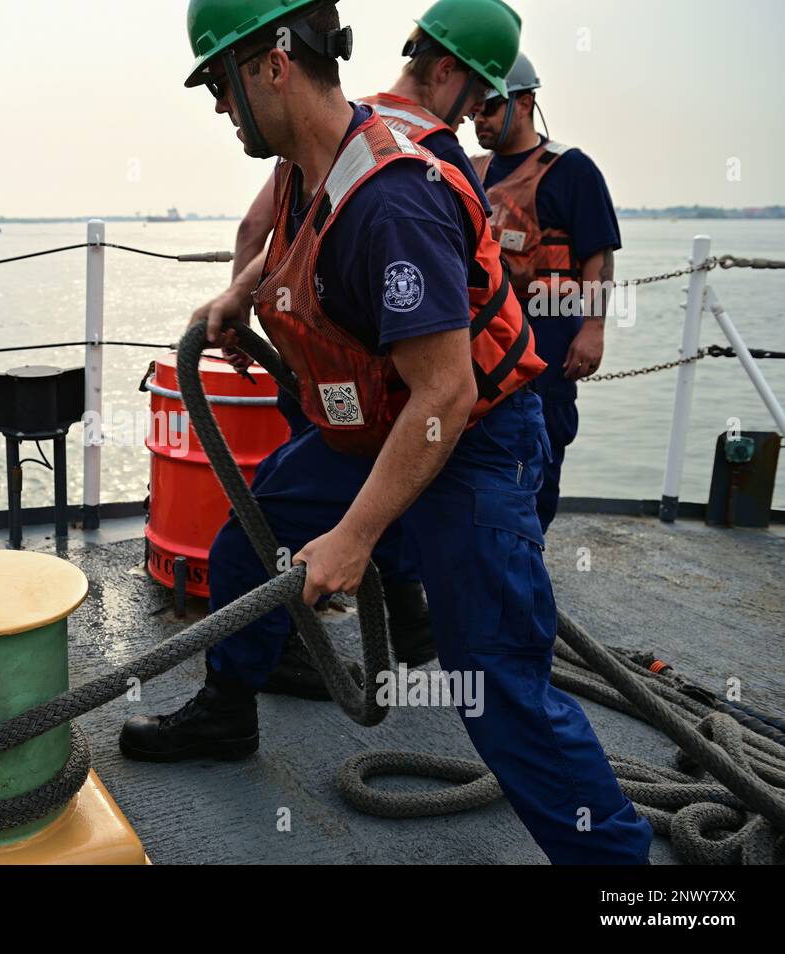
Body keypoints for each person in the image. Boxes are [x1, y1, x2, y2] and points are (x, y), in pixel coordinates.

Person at [119, 0, 652, 864]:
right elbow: (291, 231)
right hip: (381, 428)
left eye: (220, 81)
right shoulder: (318, 155)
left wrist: (355, 538)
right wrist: (239, 292)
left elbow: (445, 390)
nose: (218, 105)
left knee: (495, 687)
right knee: (243, 547)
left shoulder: (397, 200)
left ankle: (622, 875)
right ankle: (226, 715)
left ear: (275, 64)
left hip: (469, 437)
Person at [225, 0, 521, 686]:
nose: (475, 114)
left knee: (501, 668)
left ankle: (407, 624)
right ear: (450, 71)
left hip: (436, 411)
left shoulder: (360, 136)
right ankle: (402, 626)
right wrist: (239, 298)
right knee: (273, 522)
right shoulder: (393, 151)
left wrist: (239, 293)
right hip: (383, 398)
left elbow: (258, 233)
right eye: (477, 95)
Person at [471, 54, 621, 529]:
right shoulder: (469, 171)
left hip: (550, 340)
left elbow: (599, 258)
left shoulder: (573, 171)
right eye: (474, 109)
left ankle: (528, 557)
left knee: (543, 448)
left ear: (526, 101)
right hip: (484, 341)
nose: (480, 120)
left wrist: (593, 329)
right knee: (479, 452)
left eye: (491, 107)